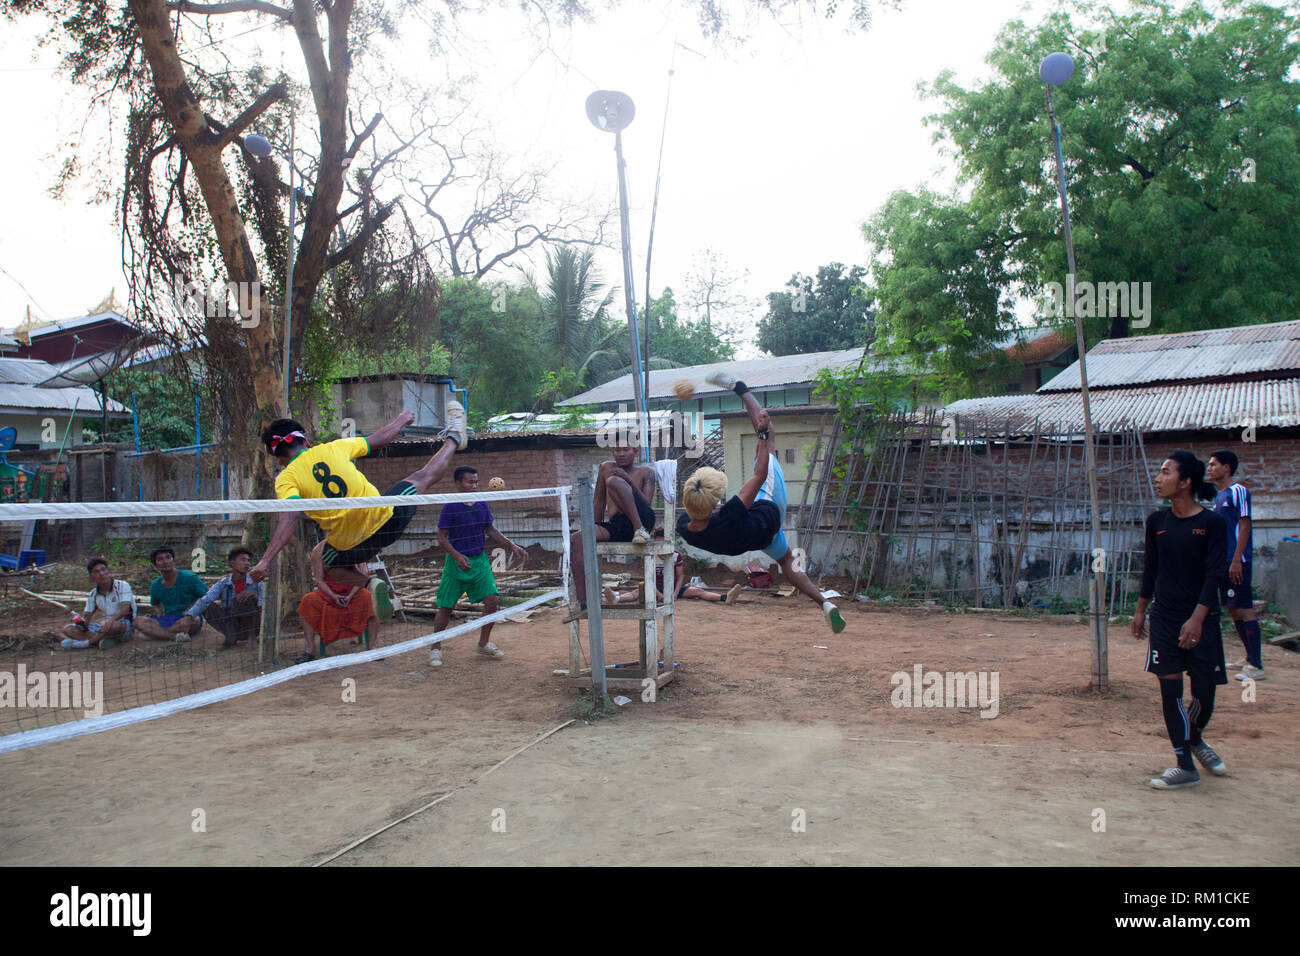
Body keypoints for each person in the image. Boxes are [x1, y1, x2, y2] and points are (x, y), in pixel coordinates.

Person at [677, 373, 845, 634]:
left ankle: (823, 603)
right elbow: (760, 473)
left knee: (787, 560)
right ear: (714, 504)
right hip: (768, 512)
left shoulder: (684, 528)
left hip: (755, 540)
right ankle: (741, 388)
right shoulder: (729, 514)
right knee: (768, 444)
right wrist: (763, 433)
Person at [249, 404, 468, 604]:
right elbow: (379, 439)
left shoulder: (286, 479)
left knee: (329, 564)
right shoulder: (333, 448)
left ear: (278, 458)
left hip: (352, 546)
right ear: (305, 442)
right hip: (387, 521)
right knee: (423, 477)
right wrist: (402, 419)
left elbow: (289, 518)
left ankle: (370, 584)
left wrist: (265, 561)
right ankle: (455, 438)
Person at [1131, 452, 1230, 790]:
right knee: (1170, 691)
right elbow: (1151, 570)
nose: (1158, 478)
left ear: (1186, 482)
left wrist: (1198, 619)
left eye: (1165, 472)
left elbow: (1215, 574)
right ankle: (1184, 764)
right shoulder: (1156, 522)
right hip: (1165, 619)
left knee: (1205, 692)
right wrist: (1141, 609)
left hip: (1203, 618)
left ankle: (1195, 737)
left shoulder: (1213, 523)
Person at [429, 466, 528, 667]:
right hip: (456, 563)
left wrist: (512, 545)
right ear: (458, 484)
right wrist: (456, 555)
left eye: (476, 482)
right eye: (469, 482)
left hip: (479, 561)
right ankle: (435, 648)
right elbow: (441, 537)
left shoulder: (482, 503)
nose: (474, 486)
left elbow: (490, 530)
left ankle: (483, 644)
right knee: (446, 607)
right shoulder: (451, 506)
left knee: (492, 601)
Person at [568, 441, 657, 607]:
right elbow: (600, 500)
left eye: (626, 450)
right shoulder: (607, 468)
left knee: (613, 481)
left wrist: (628, 480)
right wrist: (592, 528)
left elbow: (646, 502)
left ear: (635, 451)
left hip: (642, 519)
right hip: (618, 525)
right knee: (577, 539)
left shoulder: (646, 472)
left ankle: (640, 530)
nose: (621, 454)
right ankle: (585, 603)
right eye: (617, 450)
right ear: (612, 452)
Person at [1207, 449, 1264, 682]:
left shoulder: (1239, 491)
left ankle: (1256, 666)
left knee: (1244, 608)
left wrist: (1236, 560)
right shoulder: (1218, 498)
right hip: (1224, 563)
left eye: (1213, 464)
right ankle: (1249, 656)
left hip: (1237, 562)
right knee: (1232, 608)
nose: (1209, 468)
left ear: (1226, 468)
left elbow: (1245, 525)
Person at [179, 547, 263, 649]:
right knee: (208, 605)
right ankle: (231, 636)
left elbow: (266, 604)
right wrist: (189, 616)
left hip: (254, 625)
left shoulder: (256, 582)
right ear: (232, 563)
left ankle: (252, 638)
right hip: (231, 624)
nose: (247, 563)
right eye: (243, 560)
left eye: (248, 560)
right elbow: (206, 599)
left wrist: (254, 596)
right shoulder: (223, 584)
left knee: (245, 598)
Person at [602, 551, 742, 606]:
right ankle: (616, 598)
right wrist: (660, 595)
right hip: (656, 587)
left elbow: (681, 576)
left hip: (674, 586)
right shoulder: (650, 555)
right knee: (637, 593)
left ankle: (725, 598)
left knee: (697, 591)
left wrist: (675, 594)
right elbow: (649, 579)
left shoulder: (676, 555)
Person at [133, 547, 206, 642]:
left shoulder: (189, 577)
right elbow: (155, 604)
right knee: (137, 621)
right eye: (160, 559)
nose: (165, 561)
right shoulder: (155, 585)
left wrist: (192, 609)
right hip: (167, 619)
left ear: (173, 561)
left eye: (168, 557)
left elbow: (205, 596)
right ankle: (174, 636)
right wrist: (158, 611)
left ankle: (156, 634)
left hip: (187, 617)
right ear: (155, 565)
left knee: (194, 621)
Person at [61, 558, 135, 650]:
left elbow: (125, 610)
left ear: (108, 571)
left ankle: (89, 643)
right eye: (96, 572)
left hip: (123, 625)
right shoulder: (93, 594)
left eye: (103, 570)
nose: (101, 574)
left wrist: (109, 622)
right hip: (103, 627)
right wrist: (82, 625)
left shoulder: (122, 585)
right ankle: (104, 640)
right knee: (67, 629)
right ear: (91, 577)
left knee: (112, 626)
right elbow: (87, 618)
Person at [296, 582, 379, 663]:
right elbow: (319, 580)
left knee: (369, 597)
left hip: (353, 592)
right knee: (307, 600)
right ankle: (311, 649)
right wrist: (333, 596)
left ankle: (372, 646)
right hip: (327, 594)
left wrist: (350, 595)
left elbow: (362, 576)